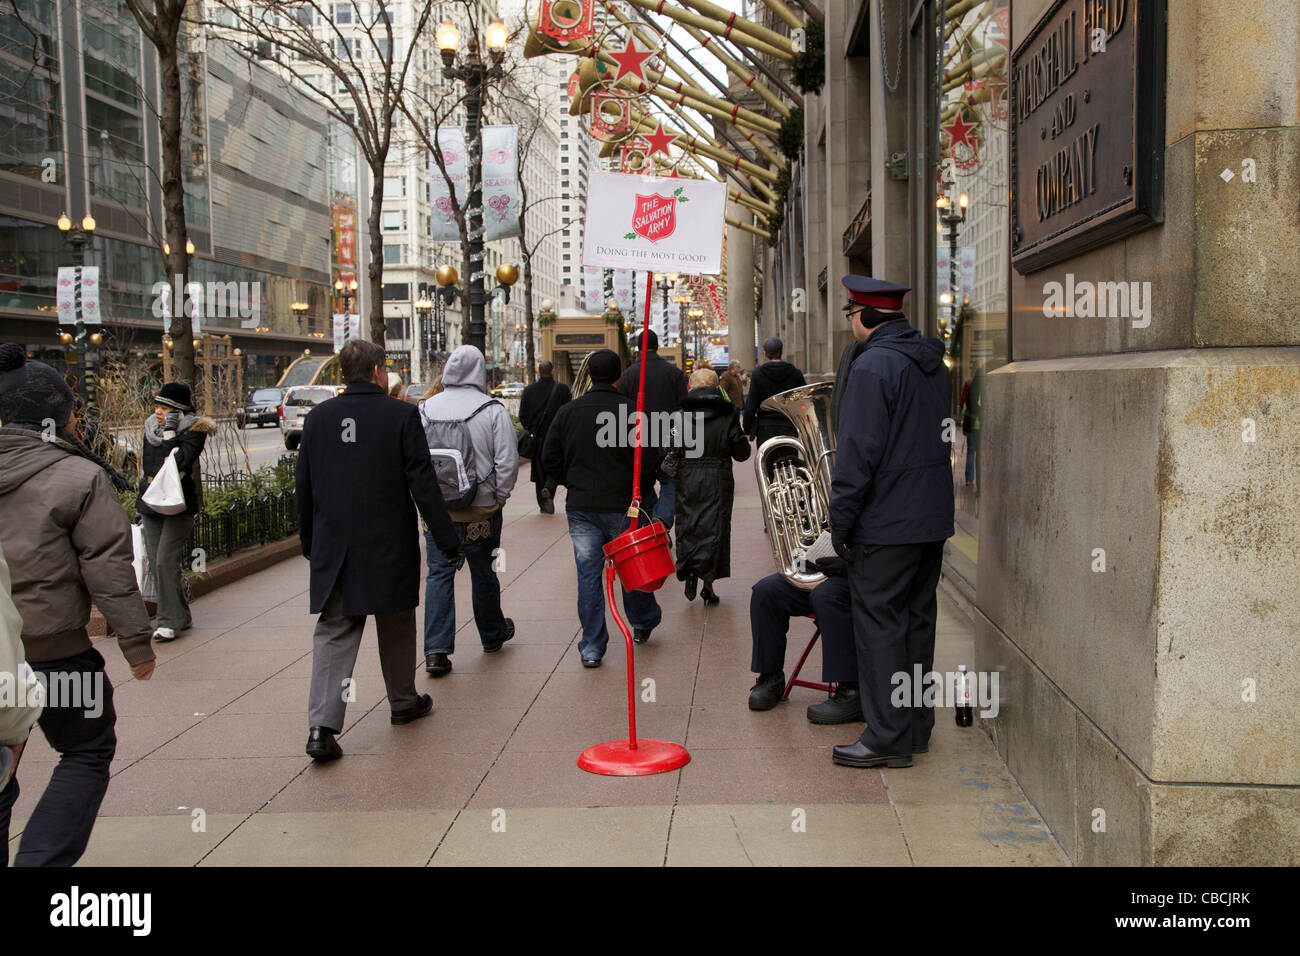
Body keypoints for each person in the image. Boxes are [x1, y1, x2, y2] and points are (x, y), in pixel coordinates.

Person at [0, 344, 156, 866]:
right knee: (87, 748)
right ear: (56, 417)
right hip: (56, 654)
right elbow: (108, 568)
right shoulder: (78, 477)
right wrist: (136, 644)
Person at [296, 339, 462, 761]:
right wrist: (447, 540)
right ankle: (403, 701)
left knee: (335, 631)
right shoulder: (401, 415)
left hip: (336, 547)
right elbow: (423, 484)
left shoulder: (317, 419)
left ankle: (322, 728)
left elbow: (304, 489)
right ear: (376, 372)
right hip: (388, 543)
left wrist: (310, 544)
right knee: (397, 622)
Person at [828, 276, 954, 769]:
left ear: (865, 316)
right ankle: (915, 727)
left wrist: (841, 519)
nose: (850, 323)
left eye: (849, 314)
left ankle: (886, 738)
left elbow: (858, 453)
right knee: (917, 626)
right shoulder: (933, 365)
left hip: (886, 521)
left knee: (880, 628)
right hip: (930, 518)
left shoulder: (872, 365)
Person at [542, 349, 661, 665]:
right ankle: (642, 620)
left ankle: (593, 646)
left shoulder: (568, 412)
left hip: (582, 504)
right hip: (623, 503)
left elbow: (549, 457)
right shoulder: (631, 412)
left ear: (590, 375)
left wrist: (571, 480)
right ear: (619, 376)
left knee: (588, 574)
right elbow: (649, 459)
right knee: (630, 565)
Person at [417, 345, 519, 678]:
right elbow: (507, 461)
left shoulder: (425, 408)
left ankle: (436, 651)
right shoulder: (491, 410)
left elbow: (416, 462)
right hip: (482, 511)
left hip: (438, 514)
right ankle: (491, 635)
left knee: (438, 575)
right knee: (484, 572)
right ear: (479, 371)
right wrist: (499, 497)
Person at [135, 381, 212, 642]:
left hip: (178, 504)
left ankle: (167, 622)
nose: (158, 411)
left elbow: (179, 461)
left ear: (178, 411)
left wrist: (170, 432)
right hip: (150, 501)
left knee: (164, 561)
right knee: (158, 564)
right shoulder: (149, 428)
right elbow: (147, 465)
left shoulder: (195, 429)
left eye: (164, 407)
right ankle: (182, 616)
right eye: (156, 405)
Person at [746, 559, 861, 722]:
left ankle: (852, 691)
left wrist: (851, 560)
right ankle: (771, 677)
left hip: (857, 573)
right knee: (766, 590)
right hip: (818, 569)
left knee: (825, 597)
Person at [674, 368, 749, 605]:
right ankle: (708, 583)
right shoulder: (727, 416)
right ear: (717, 388)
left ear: (691, 387)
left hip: (687, 477)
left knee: (689, 524)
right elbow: (742, 454)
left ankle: (690, 570)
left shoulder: (679, 416)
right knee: (716, 528)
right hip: (718, 478)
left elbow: (667, 449)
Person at [618, 329, 685, 529]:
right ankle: (661, 519)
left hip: (638, 439)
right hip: (669, 437)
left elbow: (622, 410)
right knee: (670, 480)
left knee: (642, 485)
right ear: (658, 346)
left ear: (638, 348)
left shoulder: (628, 375)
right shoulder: (674, 373)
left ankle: (650, 525)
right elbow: (684, 408)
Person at [518, 360, 571, 513]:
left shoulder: (529, 391)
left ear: (538, 372)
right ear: (553, 371)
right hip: (556, 437)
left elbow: (522, 415)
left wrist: (531, 428)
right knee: (555, 465)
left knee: (538, 468)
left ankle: (543, 503)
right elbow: (568, 412)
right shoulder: (562, 389)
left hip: (537, 437)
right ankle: (549, 487)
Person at [742, 336, 806, 453]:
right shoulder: (795, 373)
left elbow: (751, 405)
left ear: (765, 353)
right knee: (791, 462)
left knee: (767, 464)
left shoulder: (758, 374)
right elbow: (803, 400)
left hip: (766, 428)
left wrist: (747, 429)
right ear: (781, 352)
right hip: (789, 425)